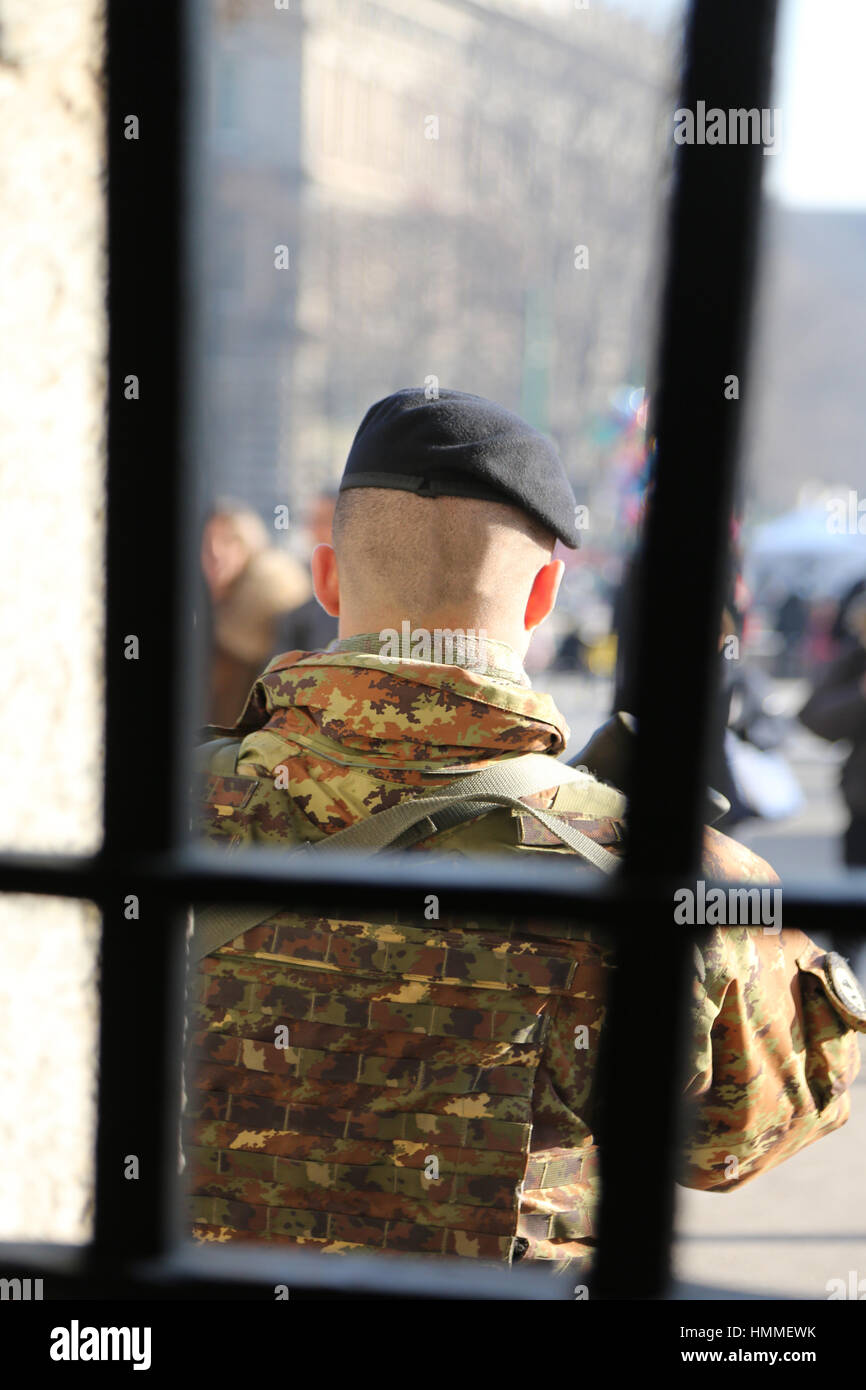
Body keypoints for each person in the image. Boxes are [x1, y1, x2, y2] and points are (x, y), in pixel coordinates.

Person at [185, 388, 866, 1273]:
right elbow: (744, 1139)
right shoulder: (667, 871)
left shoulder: (148, 812)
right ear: (544, 594)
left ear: (326, 578)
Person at [200, 499, 311, 726]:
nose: (215, 551)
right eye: (206, 541)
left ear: (249, 545)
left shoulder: (267, 586)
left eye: (229, 540)